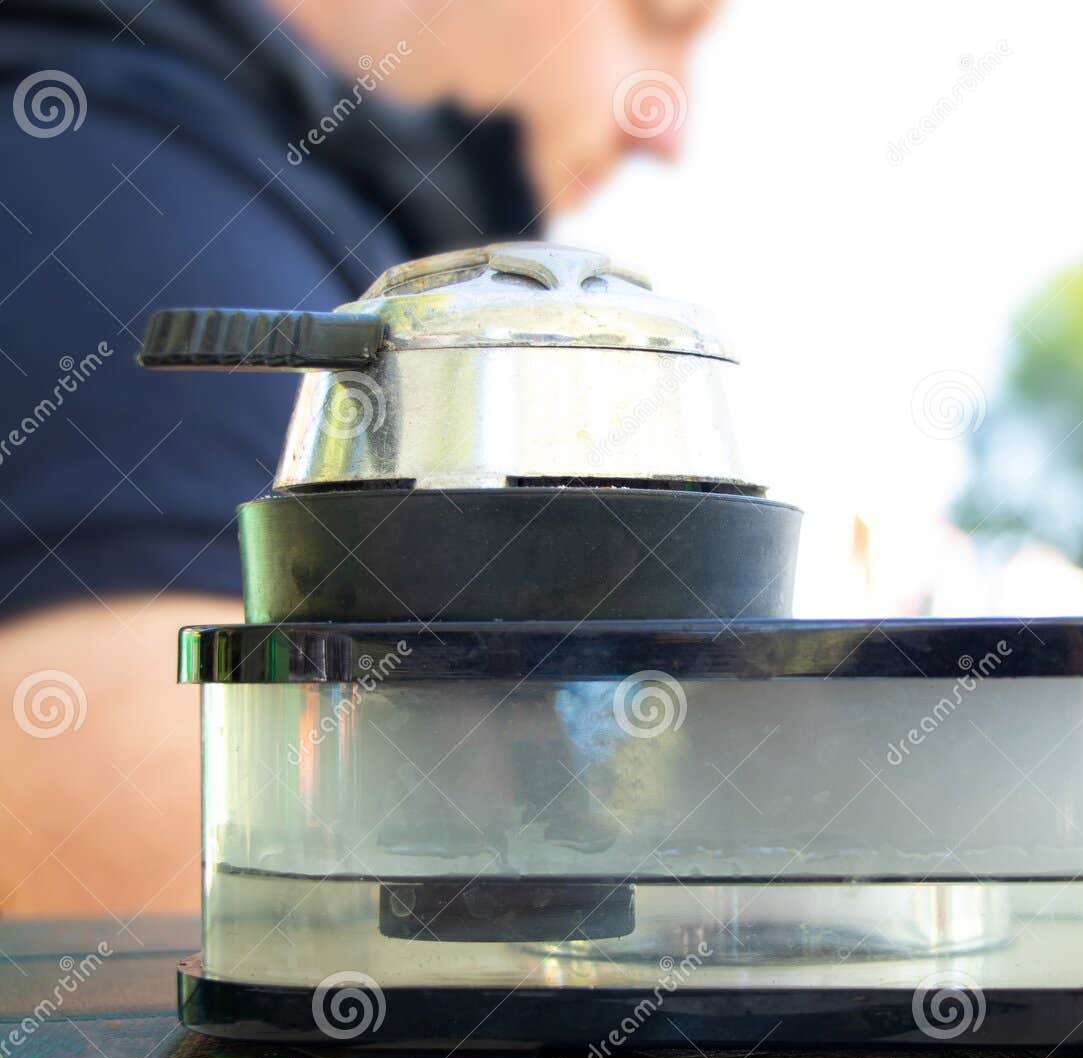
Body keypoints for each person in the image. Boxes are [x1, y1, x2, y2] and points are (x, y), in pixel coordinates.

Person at [0, 0, 716, 917]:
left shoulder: (236, 191)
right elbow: (178, 931)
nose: (670, 125)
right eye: (663, 19)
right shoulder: (150, 216)